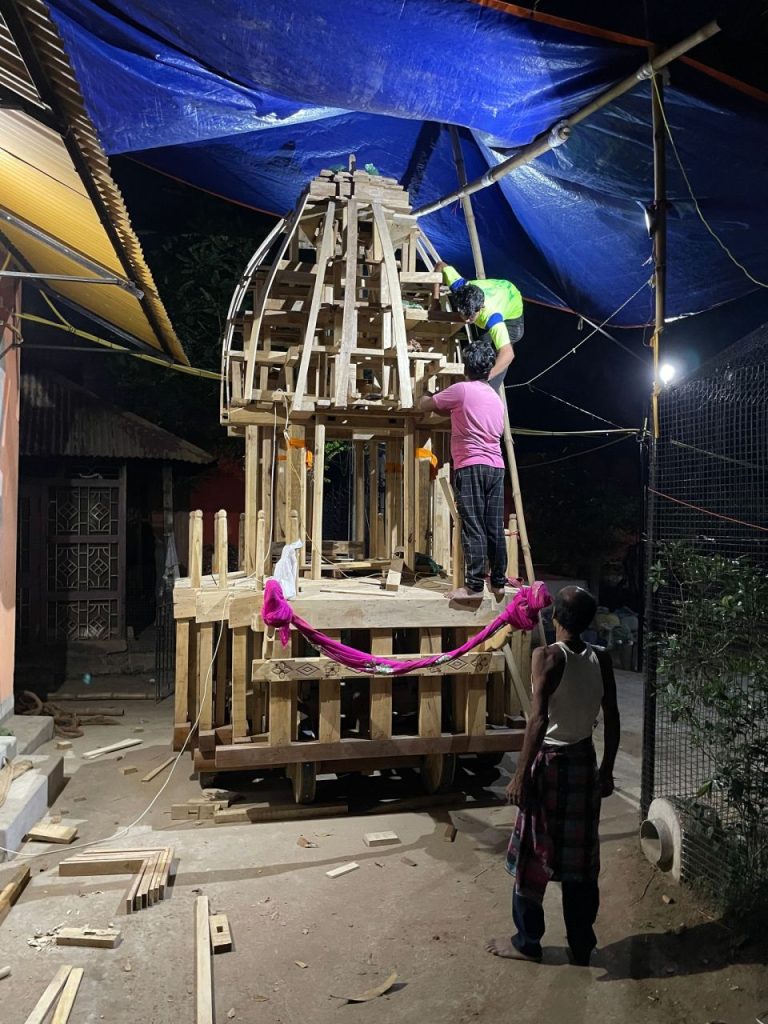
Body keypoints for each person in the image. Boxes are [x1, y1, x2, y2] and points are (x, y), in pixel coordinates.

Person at [487, 586, 620, 966]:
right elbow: (612, 717)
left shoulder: (546, 657)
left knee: (533, 852)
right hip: (584, 760)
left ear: (554, 618)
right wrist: (607, 769)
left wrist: (519, 776)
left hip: (549, 763)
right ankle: (581, 945)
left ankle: (527, 942)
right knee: (580, 860)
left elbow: (538, 720)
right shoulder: (602, 659)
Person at [419, 340, 506, 603]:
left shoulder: (462, 390)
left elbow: (426, 405)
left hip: (471, 465)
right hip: (496, 466)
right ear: (489, 368)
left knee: (473, 525)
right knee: (494, 526)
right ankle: (498, 583)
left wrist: (423, 389)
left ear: (466, 367)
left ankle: (473, 587)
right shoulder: (494, 395)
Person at [435, 261, 524, 390]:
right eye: (463, 314)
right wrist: (435, 300)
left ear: (480, 308)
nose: (466, 320)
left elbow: (508, 354)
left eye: (471, 316)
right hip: (498, 289)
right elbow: (440, 265)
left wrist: (484, 379)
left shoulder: (492, 316)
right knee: (481, 346)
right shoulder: (459, 286)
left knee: (491, 357)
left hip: (512, 315)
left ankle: (491, 391)